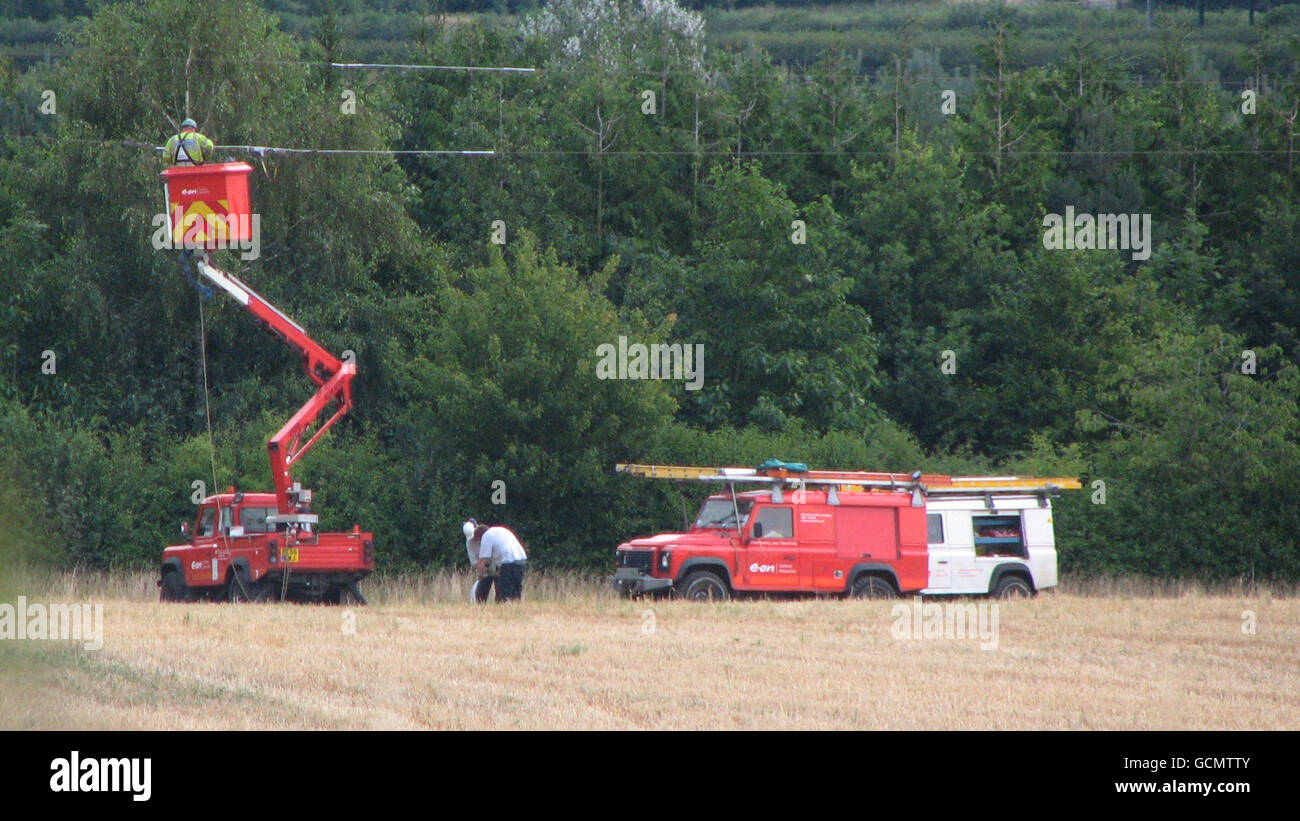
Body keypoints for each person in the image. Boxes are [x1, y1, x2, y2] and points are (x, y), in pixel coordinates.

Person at [467, 522, 527, 602]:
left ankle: (501, 609)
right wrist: (492, 571)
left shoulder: (486, 536)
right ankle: (514, 609)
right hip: (521, 559)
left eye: (477, 539)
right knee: (516, 591)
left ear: (480, 536)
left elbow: (483, 561)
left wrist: (480, 576)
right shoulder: (499, 530)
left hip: (508, 560)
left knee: (505, 591)